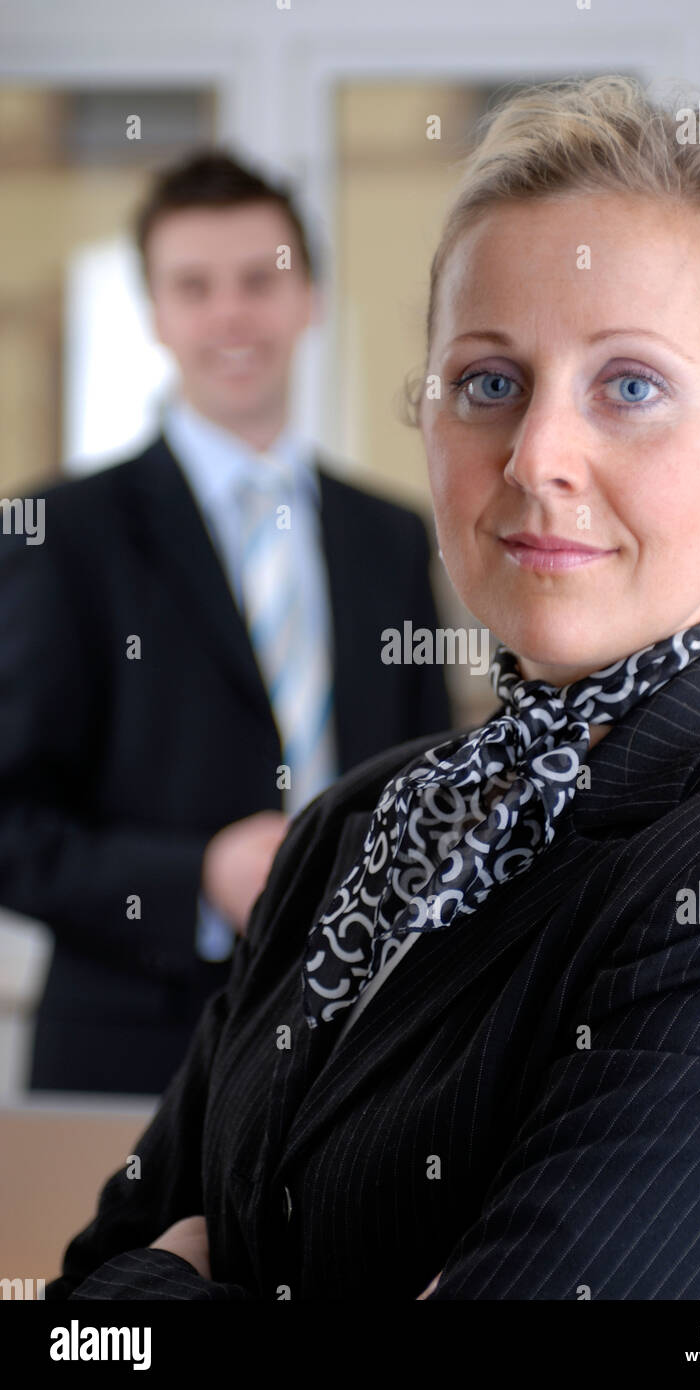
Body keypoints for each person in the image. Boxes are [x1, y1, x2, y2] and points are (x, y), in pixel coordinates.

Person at [46, 74, 700, 1301]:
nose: (538, 458)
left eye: (630, 385)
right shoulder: (352, 830)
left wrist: (172, 1287)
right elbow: (80, 1303)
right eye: (489, 383)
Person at [0, 151, 451, 1096]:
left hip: (359, 1053)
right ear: (157, 315)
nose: (231, 314)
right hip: (133, 1059)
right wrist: (197, 879)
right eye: (194, 287)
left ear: (311, 299)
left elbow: (431, 779)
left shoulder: (393, 537)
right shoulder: (62, 537)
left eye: (261, 280)